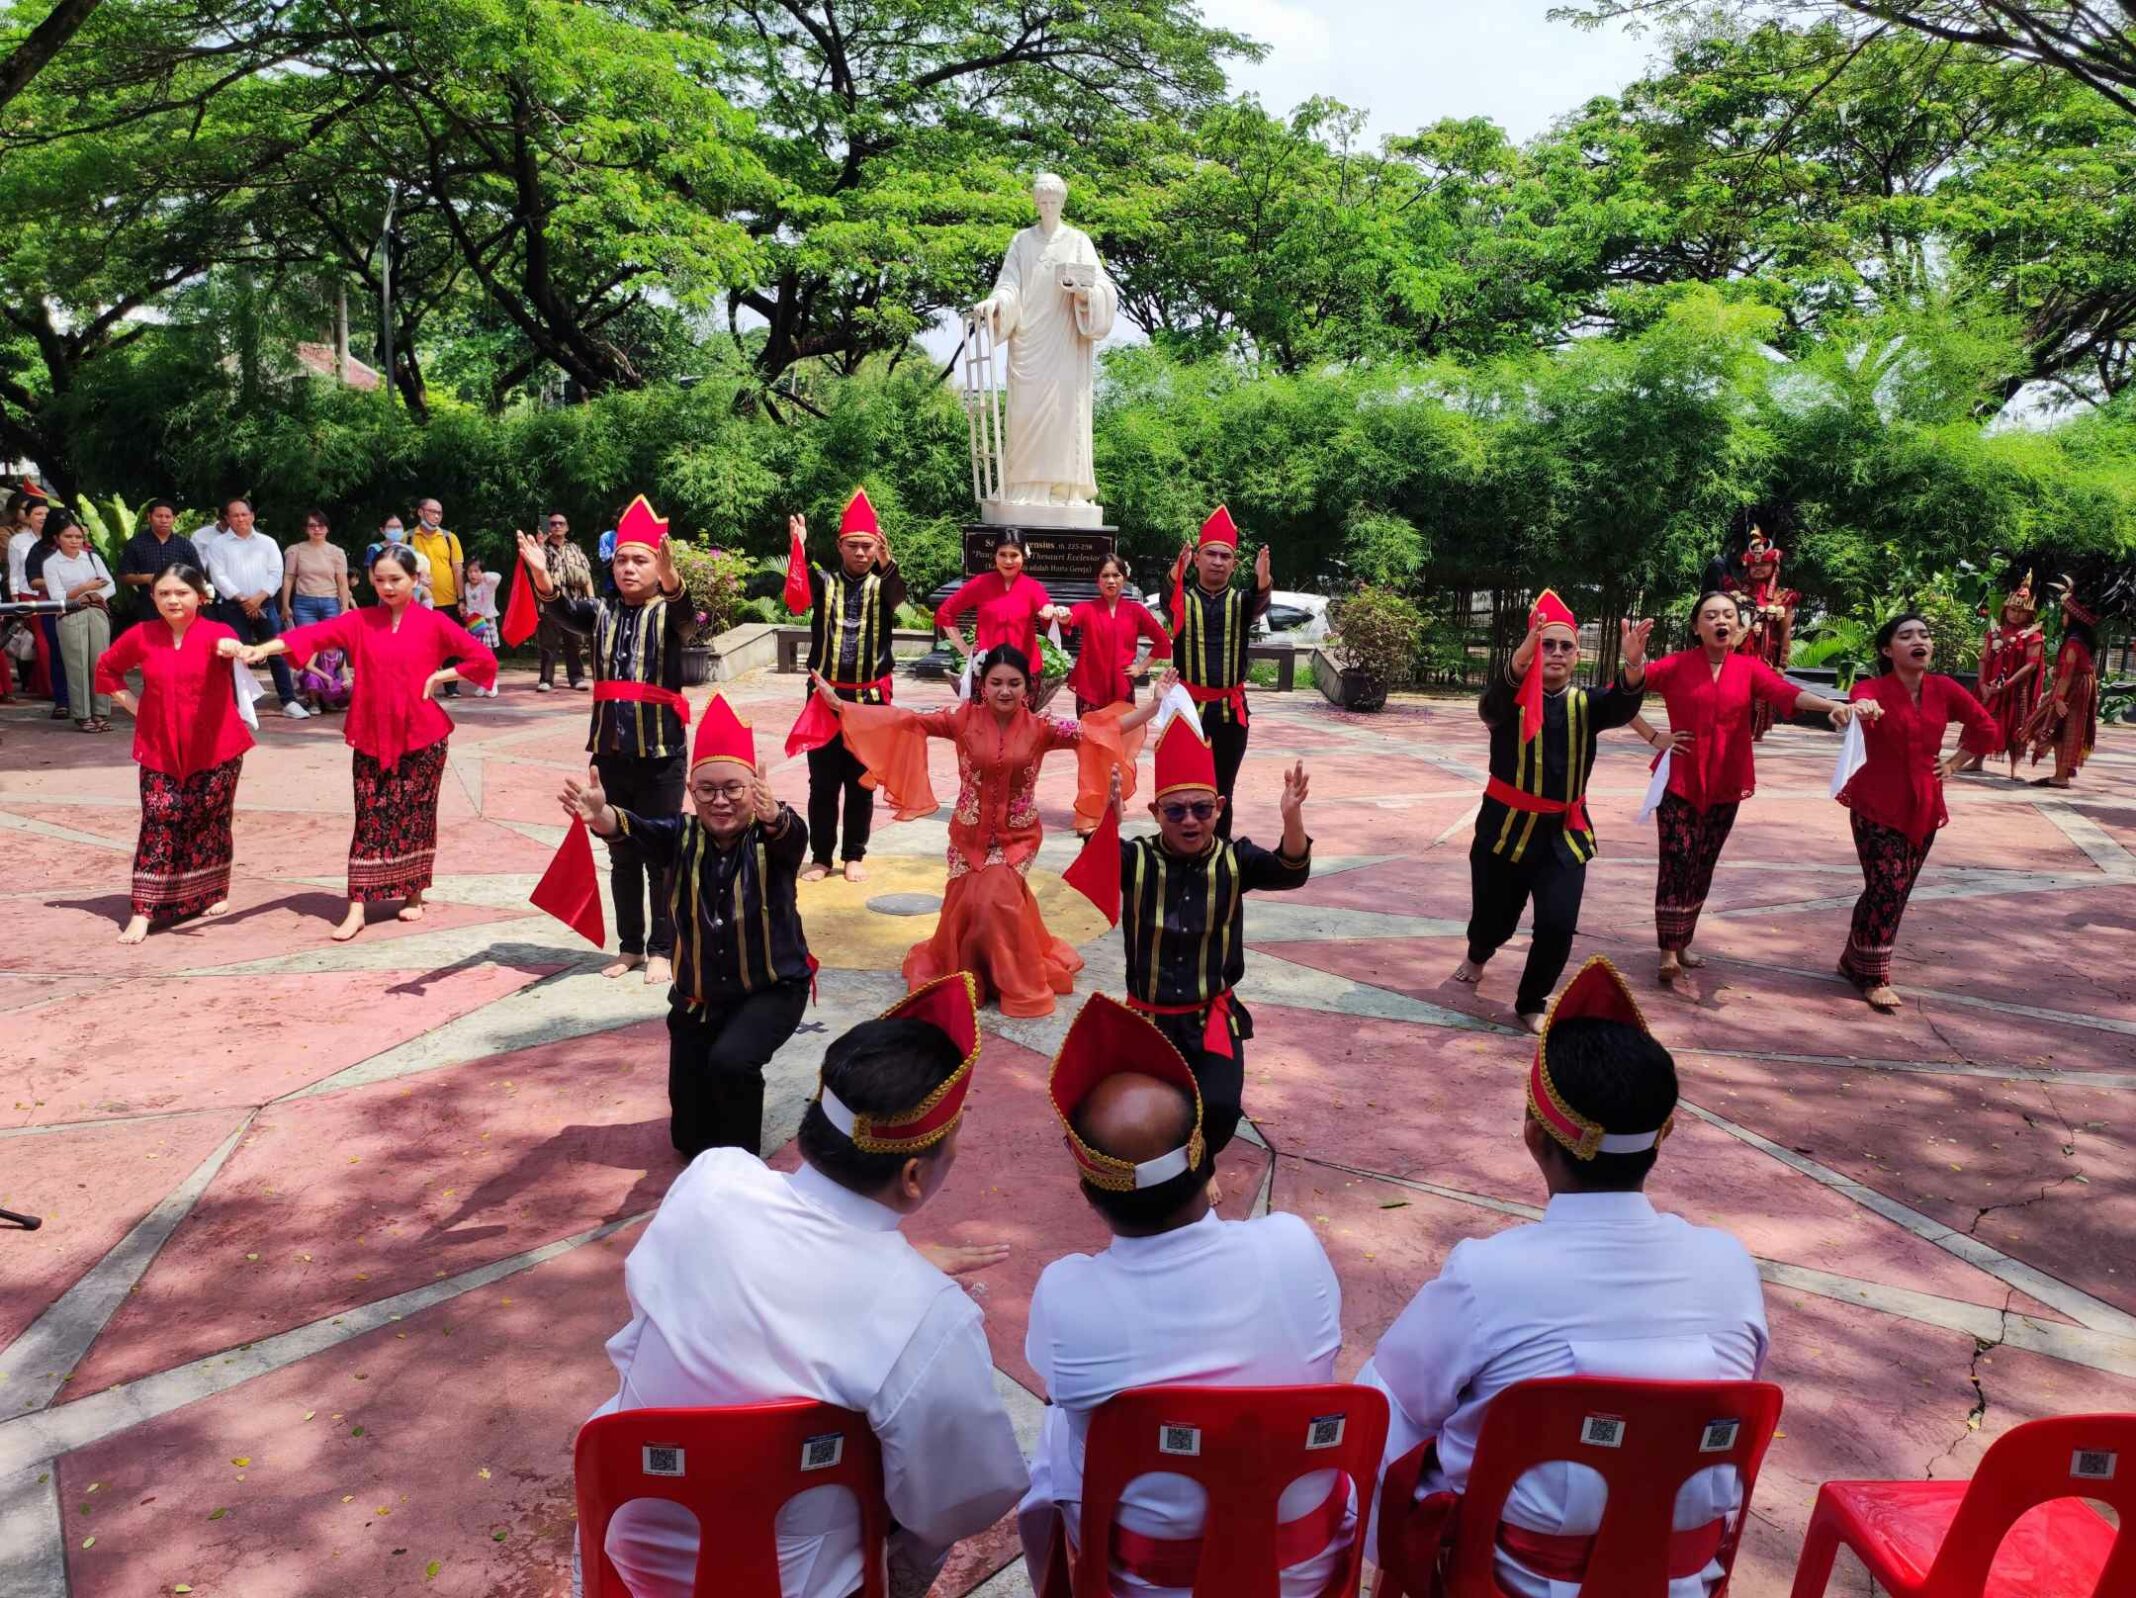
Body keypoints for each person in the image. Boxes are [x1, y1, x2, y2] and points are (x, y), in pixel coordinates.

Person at [582, 973, 1026, 1598]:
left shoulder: (714, 1179)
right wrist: (900, 1278)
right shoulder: (925, 1315)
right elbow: (973, 1494)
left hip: (630, 1555)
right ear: (914, 1177)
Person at [1361, 956, 1770, 1598]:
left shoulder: (1485, 1276)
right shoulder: (1731, 1267)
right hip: (1680, 1580)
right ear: (1662, 1135)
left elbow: (1384, 1417)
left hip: (1502, 1582)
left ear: (1533, 1133)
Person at [1019, 993, 1349, 1597]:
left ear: (1091, 1192)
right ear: (1203, 1161)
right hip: (1300, 1573)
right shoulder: (1293, 1245)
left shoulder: (1068, 1294)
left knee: (1057, 1423)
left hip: (1150, 1583)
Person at [816, 645, 1165, 1018]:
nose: (1004, 691)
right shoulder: (960, 719)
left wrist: (1154, 706)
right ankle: (972, 974)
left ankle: (1012, 979)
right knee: (969, 905)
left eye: (1014, 683)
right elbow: (906, 720)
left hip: (1017, 838)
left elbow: (1099, 730)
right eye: (996, 682)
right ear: (982, 685)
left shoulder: (1041, 727)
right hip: (967, 835)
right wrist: (843, 706)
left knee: (993, 899)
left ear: (1027, 689)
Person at [561, 693, 811, 1159]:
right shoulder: (681, 835)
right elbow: (631, 826)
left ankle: (738, 1170)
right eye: (707, 790)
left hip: (771, 989)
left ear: (754, 789)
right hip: (698, 1000)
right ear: (692, 793)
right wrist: (600, 815)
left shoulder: (771, 838)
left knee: (732, 1063)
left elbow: (792, 834)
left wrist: (774, 813)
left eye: (734, 789)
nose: (720, 801)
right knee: (689, 1141)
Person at [242, 545, 498, 940]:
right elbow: (311, 634)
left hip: (423, 735)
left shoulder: (434, 624)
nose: (387, 587)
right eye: (380, 580)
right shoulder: (360, 620)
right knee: (370, 817)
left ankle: (413, 894)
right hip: (372, 732)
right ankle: (357, 906)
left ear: (415, 580)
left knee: (416, 814)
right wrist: (263, 648)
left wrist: (440, 677)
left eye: (396, 579)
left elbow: (482, 659)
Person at [1627, 591, 1867, 986]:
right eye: (1710, 615)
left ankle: (1683, 940)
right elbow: (1623, 692)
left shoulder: (1749, 669)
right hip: (1679, 780)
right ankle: (1667, 950)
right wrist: (1654, 735)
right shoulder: (1676, 666)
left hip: (1726, 781)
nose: (1720, 621)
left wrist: (1832, 706)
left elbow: (1786, 693)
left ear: (1738, 628)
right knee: (1677, 862)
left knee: (1703, 864)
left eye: (1728, 615)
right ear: (1696, 627)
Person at [519, 495, 697, 985]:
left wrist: (672, 579)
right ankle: (631, 947)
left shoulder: (669, 615)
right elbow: (562, 611)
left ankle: (664, 948)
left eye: (640, 559)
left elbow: (687, 615)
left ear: (658, 565)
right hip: (610, 755)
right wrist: (541, 575)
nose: (629, 568)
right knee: (620, 851)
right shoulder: (601, 612)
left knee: (661, 855)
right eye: (622, 559)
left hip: (661, 753)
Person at [1116, 715, 1312, 1158]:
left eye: (1202, 809)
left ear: (1219, 808)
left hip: (1211, 1019)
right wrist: (1108, 825)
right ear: (1155, 813)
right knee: (1135, 1113)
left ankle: (1200, 1167)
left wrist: (1292, 817)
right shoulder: (1137, 859)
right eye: (1176, 810)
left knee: (1221, 1107)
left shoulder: (1234, 858)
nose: (1190, 821)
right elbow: (1094, 872)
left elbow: (1290, 871)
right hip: (1148, 1021)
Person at [1453, 593, 1650, 1032]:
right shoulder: (1509, 704)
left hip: (1564, 835)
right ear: (1530, 651)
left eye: (1565, 646)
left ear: (1578, 656)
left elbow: (1623, 704)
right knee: (1492, 919)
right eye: (1547, 645)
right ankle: (1478, 953)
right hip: (1504, 832)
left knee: (1558, 924)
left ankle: (1532, 999)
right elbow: (1489, 706)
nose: (1556, 653)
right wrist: (1519, 661)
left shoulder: (1589, 704)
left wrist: (1633, 665)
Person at [1837, 613, 2002, 1011]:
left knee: (1892, 890)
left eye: (1924, 635)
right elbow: (1859, 704)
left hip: (1924, 804)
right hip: (1875, 804)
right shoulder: (1871, 688)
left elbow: (1987, 729)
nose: (1919, 641)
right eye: (1906, 635)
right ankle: (1875, 975)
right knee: (1887, 887)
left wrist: (1953, 764)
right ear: (1887, 649)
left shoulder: (1944, 689)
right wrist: (1862, 709)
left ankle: (1850, 958)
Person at [95, 565, 254, 943]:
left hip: (217, 745)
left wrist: (234, 648)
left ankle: (212, 889)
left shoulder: (218, 633)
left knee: (211, 818)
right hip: (159, 745)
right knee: (159, 819)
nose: (172, 600)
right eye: (164, 593)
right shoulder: (142, 635)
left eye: (181, 593)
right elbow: (107, 668)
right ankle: (144, 908)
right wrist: (136, 707)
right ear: (153, 598)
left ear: (201, 596)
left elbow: (230, 647)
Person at [790, 490, 906, 884]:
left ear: (878, 547)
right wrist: (799, 545)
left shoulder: (882, 587)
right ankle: (821, 856)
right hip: (824, 699)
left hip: (870, 701)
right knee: (822, 784)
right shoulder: (825, 584)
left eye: (867, 546)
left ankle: (854, 853)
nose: (860, 553)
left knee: (861, 782)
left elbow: (899, 594)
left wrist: (888, 562)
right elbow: (798, 592)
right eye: (853, 545)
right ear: (840, 545)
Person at [1166, 506, 1273, 839]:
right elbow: (1167, 592)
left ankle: (1219, 857)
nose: (1217, 561)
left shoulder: (1242, 603)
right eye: (1210, 554)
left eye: (1224, 556)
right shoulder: (1181, 600)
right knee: (1182, 790)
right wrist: (1175, 571)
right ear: (1196, 559)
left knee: (1221, 791)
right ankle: (1181, 853)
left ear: (1234, 564)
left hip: (1230, 716)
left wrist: (1263, 578)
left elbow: (1260, 601)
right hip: (1186, 713)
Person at [204, 497, 310, 719]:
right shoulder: (217, 545)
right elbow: (218, 576)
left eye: (244, 514)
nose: (241, 518)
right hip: (233, 607)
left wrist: (258, 598)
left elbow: (275, 573)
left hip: (266, 604)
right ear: (227, 518)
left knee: (277, 651)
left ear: (252, 515)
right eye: (235, 515)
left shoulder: (267, 542)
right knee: (234, 655)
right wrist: (244, 600)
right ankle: (237, 705)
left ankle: (289, 701)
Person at [933, 529, 1061, 680]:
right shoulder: (980, 584)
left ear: (1024, 556)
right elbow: (945, 612)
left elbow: (1046, 607)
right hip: (987, 668)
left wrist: (1050, 611)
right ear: (995, 555)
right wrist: (964, 649)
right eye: (1002, 554)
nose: (1008, 561)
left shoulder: (1033, 587)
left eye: (1014, 555)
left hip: (1025, 669)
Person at [1063, 551, 1170, 718]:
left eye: (1116, 575)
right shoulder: (1087, 609)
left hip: (1122, 686)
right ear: (1097, 580)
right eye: (1105, 576)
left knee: (1120, 738)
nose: (1111, 581)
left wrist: (1141, 668)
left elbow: (1162, 641)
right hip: (1090, 688)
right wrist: (1061, 614)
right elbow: (1067, 618)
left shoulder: (1136, 611)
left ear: (1124, 578)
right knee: (1090, 740)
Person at [2019, 587, 2101, 790]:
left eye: (2065, 613)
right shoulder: (2081, 642)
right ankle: (2060, 775)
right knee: (2060, 731)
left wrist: (2058, 698)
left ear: (2073, 619)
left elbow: (2067, 673)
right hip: (2079, 686)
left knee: (2058, 727)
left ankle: (2061, 776)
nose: (2062, 617)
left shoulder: (2073, 643)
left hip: (2074, 688)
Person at [43, 516, 118, 731]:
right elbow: (58, 595)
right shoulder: (51, 563)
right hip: (70, 614)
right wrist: (86, 588)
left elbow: (110, 585)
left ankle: (101, 713)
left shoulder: (92, 558)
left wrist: (93, 594)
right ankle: (82, 715)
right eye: (68, 536)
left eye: (78, 536)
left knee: (100, 663)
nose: (74, 541)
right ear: (57, 538)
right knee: (77, 664)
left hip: (96, 610)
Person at [1970, 572, 2044, 780]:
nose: (2016, 614)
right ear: (2005, 609)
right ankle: (1976, 760)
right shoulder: (1996, 632)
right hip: (1990, 687)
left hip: (2017, 690)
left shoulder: (2033, 634)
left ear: (2030, 613)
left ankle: (2016, 766)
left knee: (2016, 725)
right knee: (1982, 721)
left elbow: (2031, 664)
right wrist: (1983, 684)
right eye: (2013, 609)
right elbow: (1984, 659)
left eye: (2021, 611)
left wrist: (2009, 683)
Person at [1729, 526, 1799, 742]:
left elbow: (1785, 632)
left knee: (1760, 693)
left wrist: (1782, 663)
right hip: (1739, 652)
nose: (1758, 568)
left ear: (1774, 565)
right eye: (1754, 564)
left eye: (1763, 564)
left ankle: (1753, 730)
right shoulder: (1736, 593)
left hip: (1765, 655)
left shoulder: (1783, 597)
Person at [534, 510, 594, 692]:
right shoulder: (541, 549)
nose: (557, 526)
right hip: (549, 603)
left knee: (573, 643)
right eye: (552, 524)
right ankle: (546, 680)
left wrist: (591, 599)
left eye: (561, 523)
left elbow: (586, 576)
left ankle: (576, 679)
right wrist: (540, 543)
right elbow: (535, 569)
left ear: (567, 527)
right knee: (548, 643)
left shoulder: (575, 549)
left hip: (573, 602)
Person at [116, 499, 202, 617]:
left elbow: (198, 573)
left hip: (180, 604)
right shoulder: (136, 544)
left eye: (168, 517)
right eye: (159, 516)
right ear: (149, 517)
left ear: (174, 518)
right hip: (148, 604)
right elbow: (123, 577)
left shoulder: (184, 545)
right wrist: (148, 578)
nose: (164, 520)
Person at [280, 509, 354, 633]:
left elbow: (342, 582)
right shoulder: (295, 550)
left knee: (330, 643)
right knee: (308, 642)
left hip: (330, 602)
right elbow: (288, 579)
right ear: (306, 529)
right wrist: (285, 606)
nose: (317, 529)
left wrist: (345, 608)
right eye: (312, 526)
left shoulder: (337, 552)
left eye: (321, 526)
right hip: (304, 603)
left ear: (327, 528)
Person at [460, 556, 503, 696]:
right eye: (470, 571)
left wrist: (483, 575)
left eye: (476, 571)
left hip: (487, 622)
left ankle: (492, 682)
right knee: (476, 657)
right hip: (473, 625)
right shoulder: (466, 586)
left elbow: (497, 576)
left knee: (488, 655)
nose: (473, 574)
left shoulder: (488, 584)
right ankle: (483, 683)